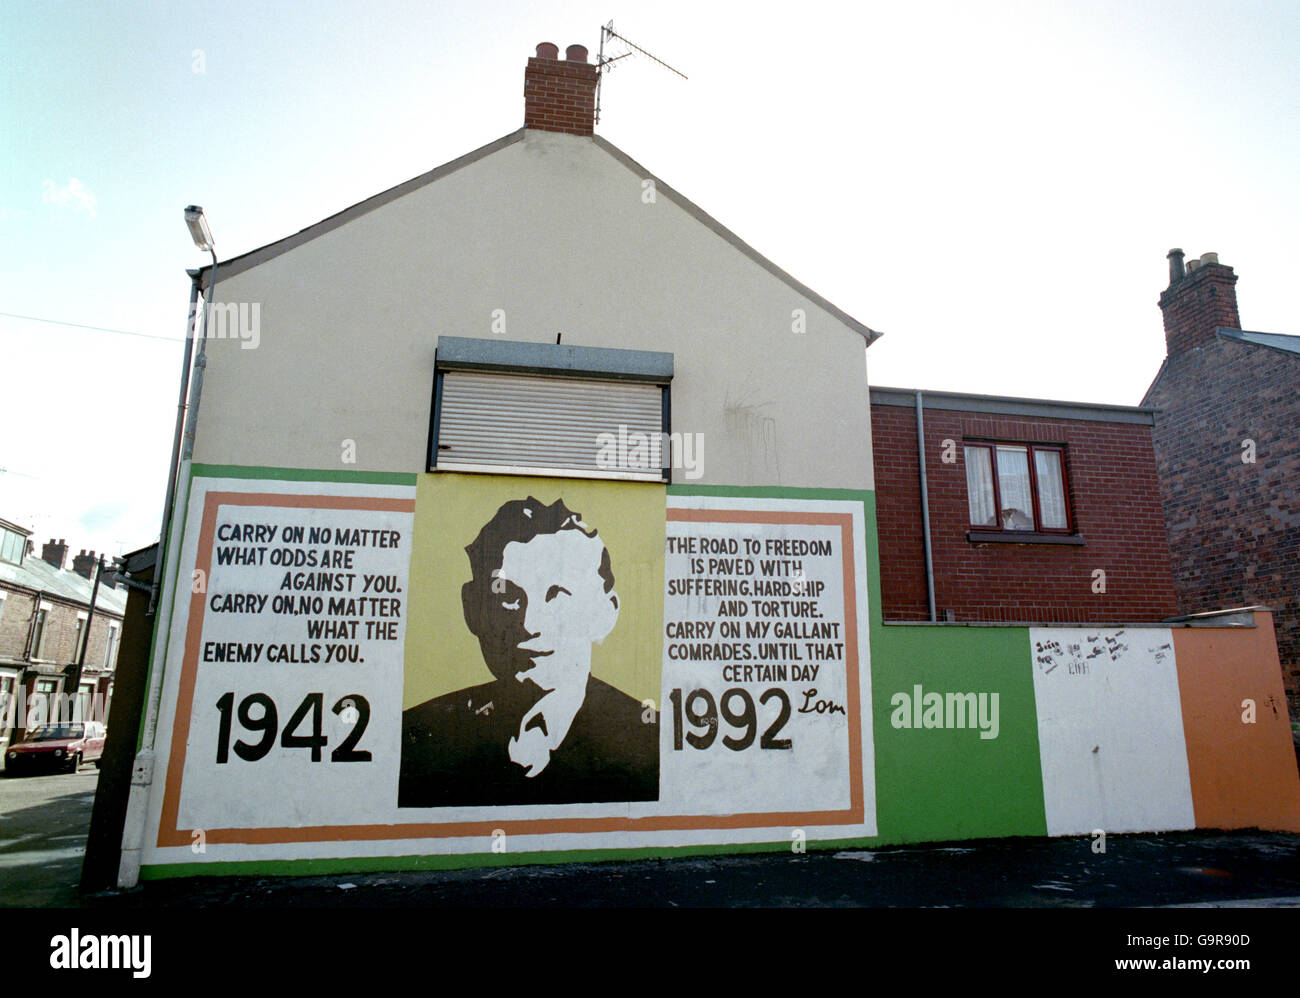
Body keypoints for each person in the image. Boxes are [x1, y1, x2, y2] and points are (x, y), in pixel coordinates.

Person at [398, 497, 659, 807]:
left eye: (557, 594)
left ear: (604, 614)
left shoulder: (650, 739)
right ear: (471, 609)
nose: (530, 625)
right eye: (508, 597)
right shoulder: (416, 739)